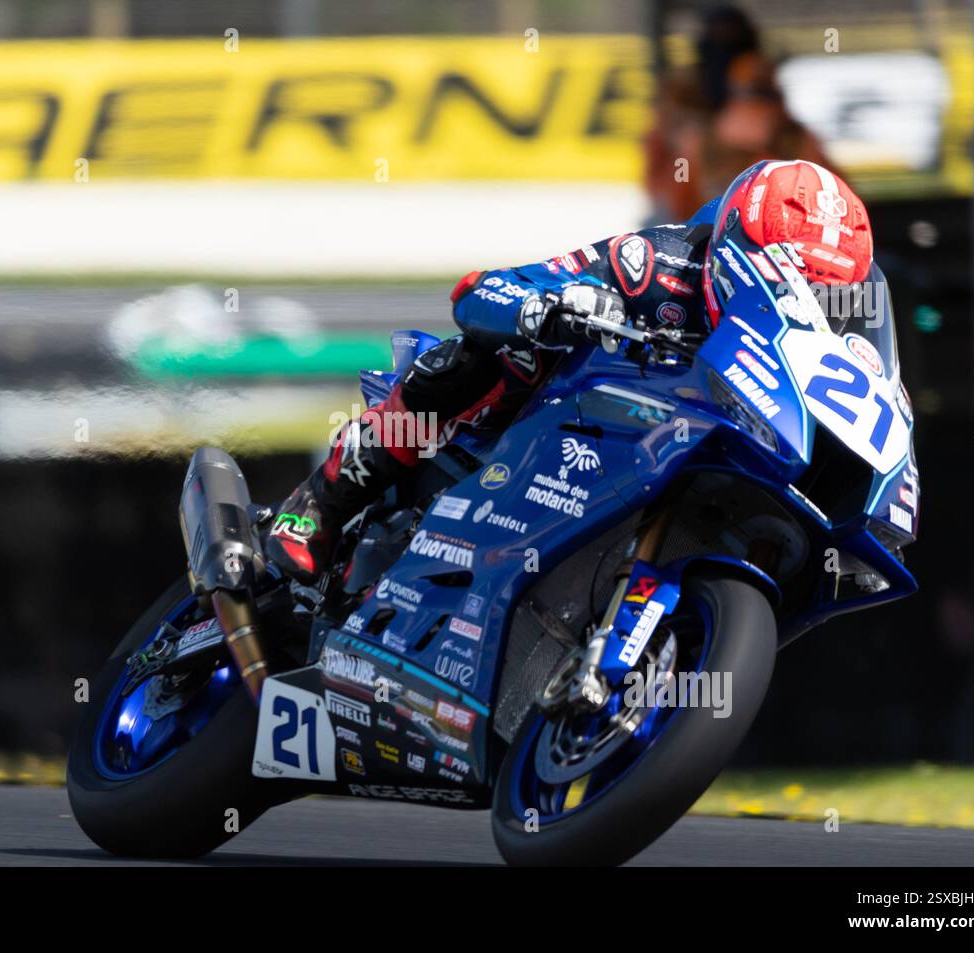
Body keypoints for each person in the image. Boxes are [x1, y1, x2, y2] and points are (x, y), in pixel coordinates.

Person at [266, 159, 874, 582]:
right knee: (490, 357)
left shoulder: (826, 353)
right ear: (736, 246)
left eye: (824, 294)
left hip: (661, 467)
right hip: (549, 431)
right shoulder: (654, 263)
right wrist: (546, 307)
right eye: (788, 278)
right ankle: (319, 504)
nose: (801, 301)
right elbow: (483, 290)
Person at [644, 5, 836, 222]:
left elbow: (831, 194)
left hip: (770, 216)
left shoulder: (784, 128)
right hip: (695, 218)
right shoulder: (682, 98)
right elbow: (658, 188)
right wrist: (704, 144)